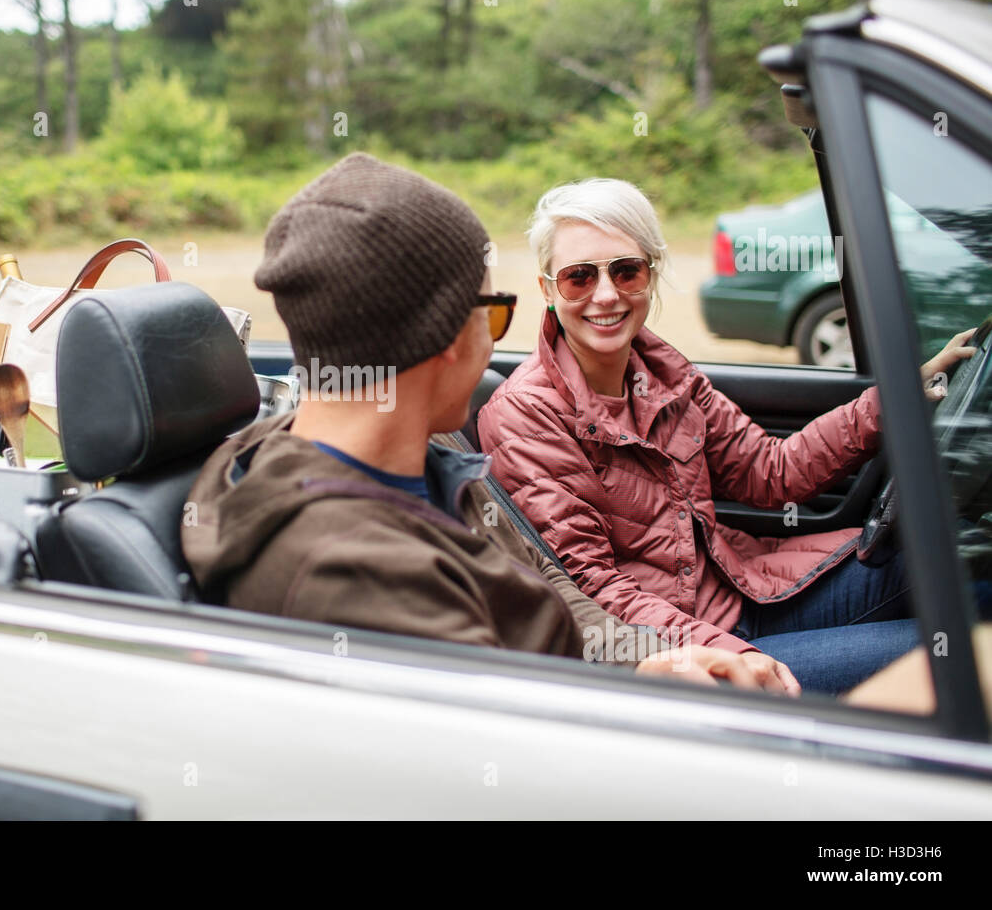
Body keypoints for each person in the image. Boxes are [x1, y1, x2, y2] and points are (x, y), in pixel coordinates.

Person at [182, 153, 799, 694]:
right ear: (447, 336)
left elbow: (550, 589)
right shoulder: (354, 575)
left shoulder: (426, 446)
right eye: (493, 312)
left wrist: (646, 663)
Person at [476, 177, 974, 695]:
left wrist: (892, 402)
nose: (607, 294)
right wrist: (735, 660)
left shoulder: (665, 372)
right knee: (954, 650)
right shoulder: (526, 415)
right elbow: (595, 590)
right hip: (689, 653)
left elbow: (772, 474)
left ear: (651, 273)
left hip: (747, 593)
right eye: (579, 277)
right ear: (548, 290)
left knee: (962, 561)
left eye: (627, 271)